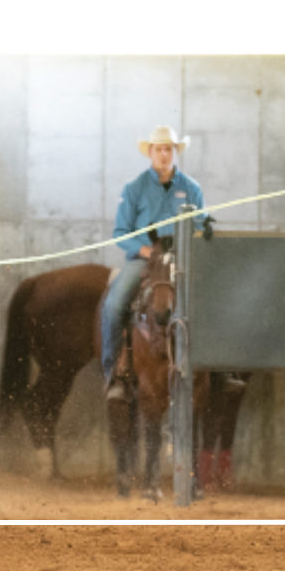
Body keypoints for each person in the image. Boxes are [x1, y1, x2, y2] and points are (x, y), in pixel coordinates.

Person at [100, 125, 205, 398]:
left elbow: (201, 227)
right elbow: (120, 233)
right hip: (145, 260)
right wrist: (148, 253)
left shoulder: (191, 189)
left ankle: (220, 370)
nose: (163, 154)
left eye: (168, 149)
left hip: (181, 261)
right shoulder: (134, 189)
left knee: (214, 298)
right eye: (159, 149)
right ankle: (114, 374)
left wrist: (192, 243)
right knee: (114, 304)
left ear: (174, 152)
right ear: (150, 152)